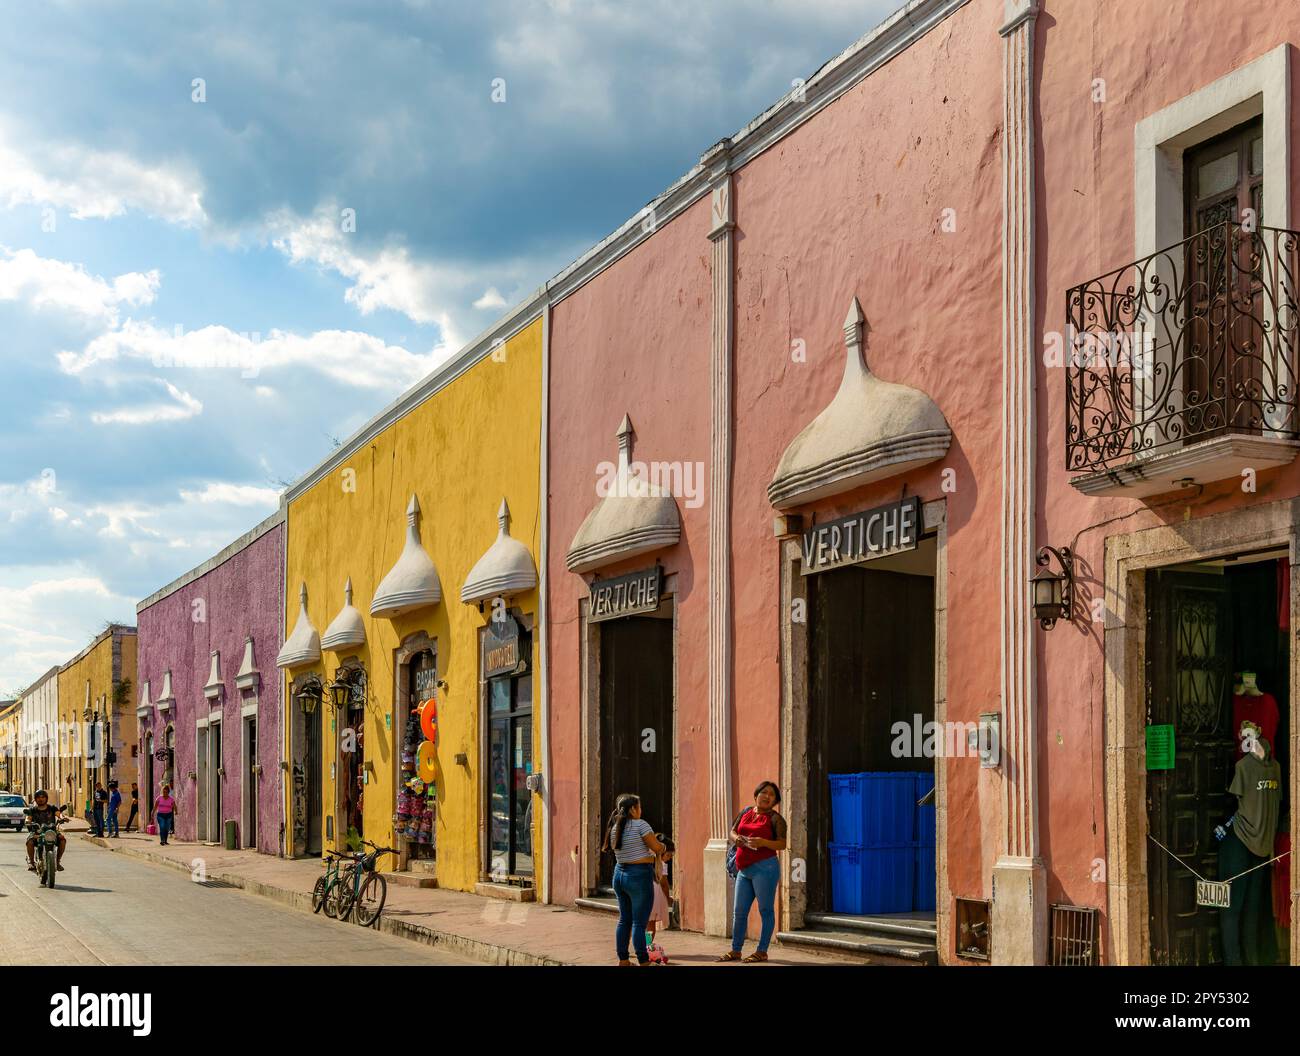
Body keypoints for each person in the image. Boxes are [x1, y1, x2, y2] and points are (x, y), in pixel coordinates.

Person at [720, 780, 788, 963]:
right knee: (739, 912)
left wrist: (763, 842)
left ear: (775, 801)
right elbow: (732, 831)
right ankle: (735, 950)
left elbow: (782, 843)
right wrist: (737, 840)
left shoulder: (776, 819)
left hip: (765, 869)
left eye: (771, 795)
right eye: (764, 792)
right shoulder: (745, 812)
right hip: (744, 869)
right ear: (756, 794)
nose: (767, 796)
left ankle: (762, 951)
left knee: (765, 910)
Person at [601, 793, 665, 966]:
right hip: (638, 876)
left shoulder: (615, 827)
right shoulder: (640, 825)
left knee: (624, 920)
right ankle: (643, 960)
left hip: (619, 875)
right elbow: (656, 846)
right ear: (632, 809)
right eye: (639, 806)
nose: (641, 810)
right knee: (639, 922)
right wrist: (663, 846)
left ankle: (623, 959)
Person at [647, 834, 675, 962]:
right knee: (651, 923)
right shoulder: (661, 864)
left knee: (636, 923)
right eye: (668, 855)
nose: (669, 859)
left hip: (643, 890)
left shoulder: (647, 859)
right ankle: (647, 947)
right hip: (654, 893)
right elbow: (663, 884)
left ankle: (629, 945)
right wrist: (668, 897)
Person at [24, 789, 66, 872]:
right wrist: (28, 821)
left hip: (51, 832)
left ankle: (57, 862)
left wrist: (62, 817)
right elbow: (28, 818)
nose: (41, 799)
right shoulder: (33, 810)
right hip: (37, 833)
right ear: (35, 799)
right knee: (30, 841)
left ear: (46, 798)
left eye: (43, 797)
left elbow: (59, 814)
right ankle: (32, 862)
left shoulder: (52, 808)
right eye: (38, 797)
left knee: (62, 840)